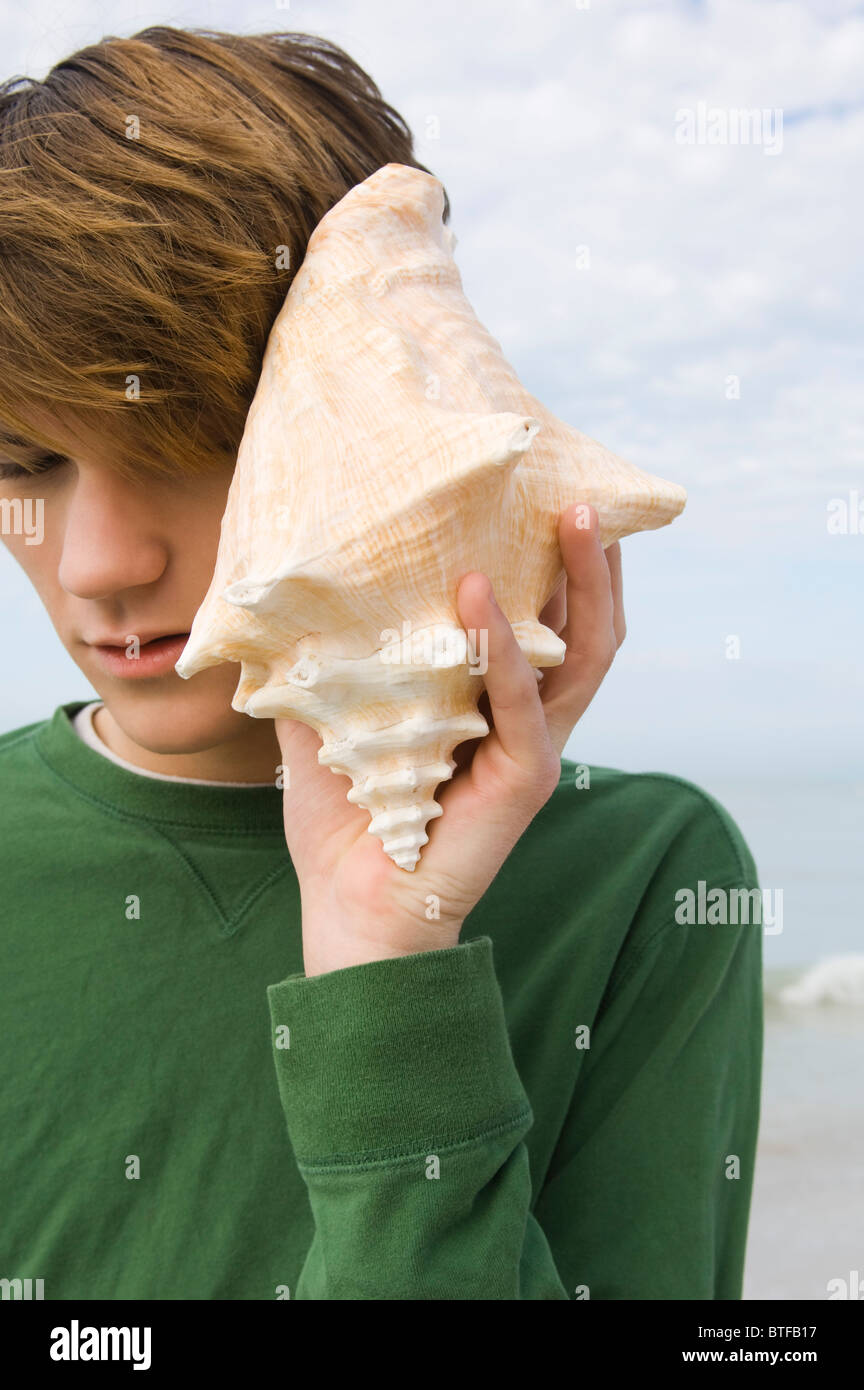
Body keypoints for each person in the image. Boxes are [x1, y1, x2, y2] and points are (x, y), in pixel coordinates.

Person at [0, 27, 762, 1301]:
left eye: (194, 444)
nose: (97, 563)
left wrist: (387, 971)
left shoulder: (644, 882)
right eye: (22, 466)